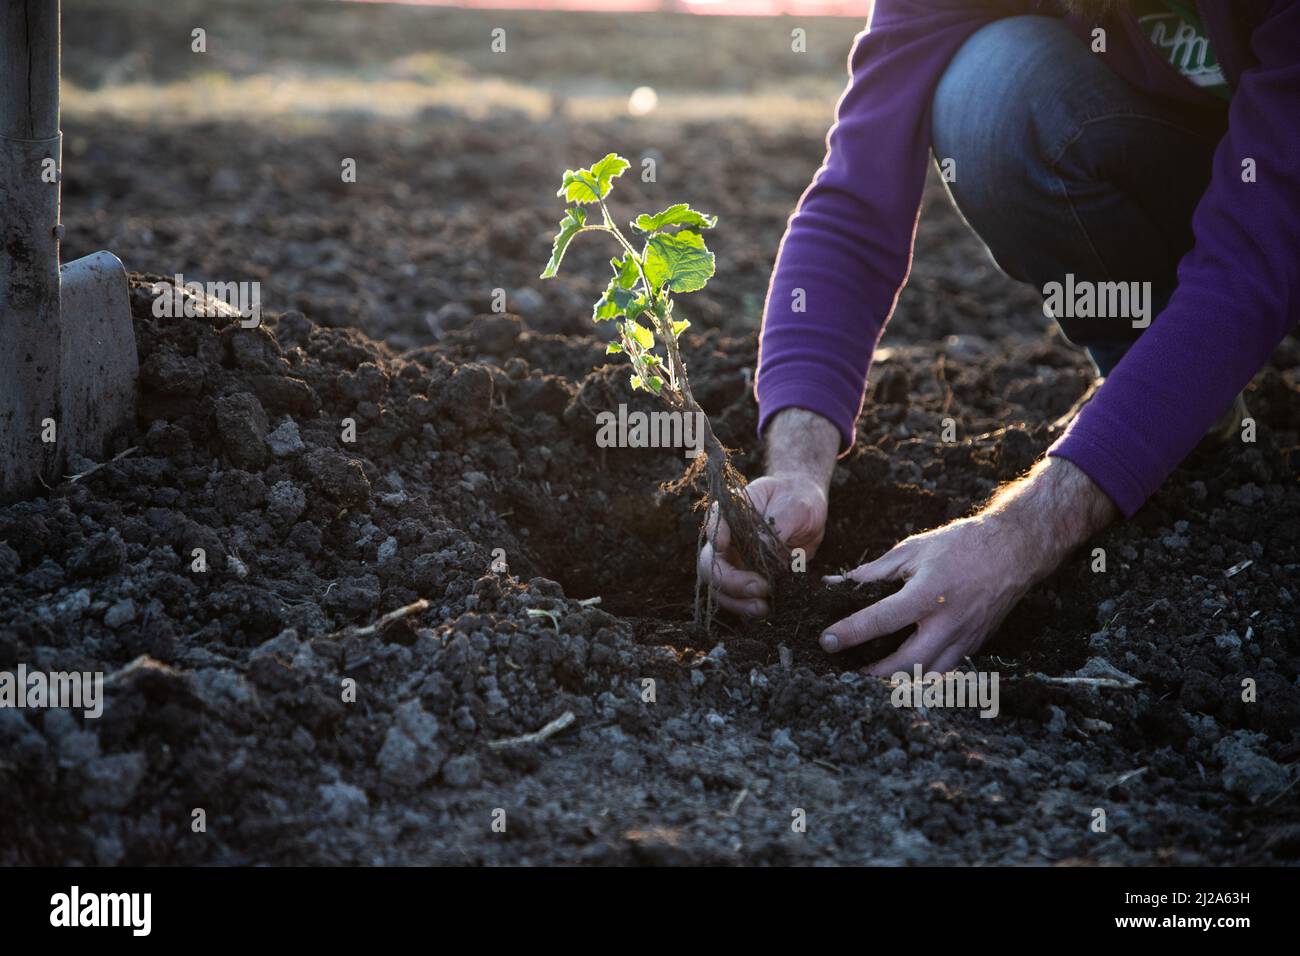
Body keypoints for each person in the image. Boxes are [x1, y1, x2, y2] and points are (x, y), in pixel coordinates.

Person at [700, 0, 1299, 676]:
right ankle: (1172, 402)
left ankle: (1156, 414)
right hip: (1194, 158)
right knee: (994, 95)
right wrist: (798, 466)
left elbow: (1256, 264)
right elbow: (856, 202)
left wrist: (1020, 534)